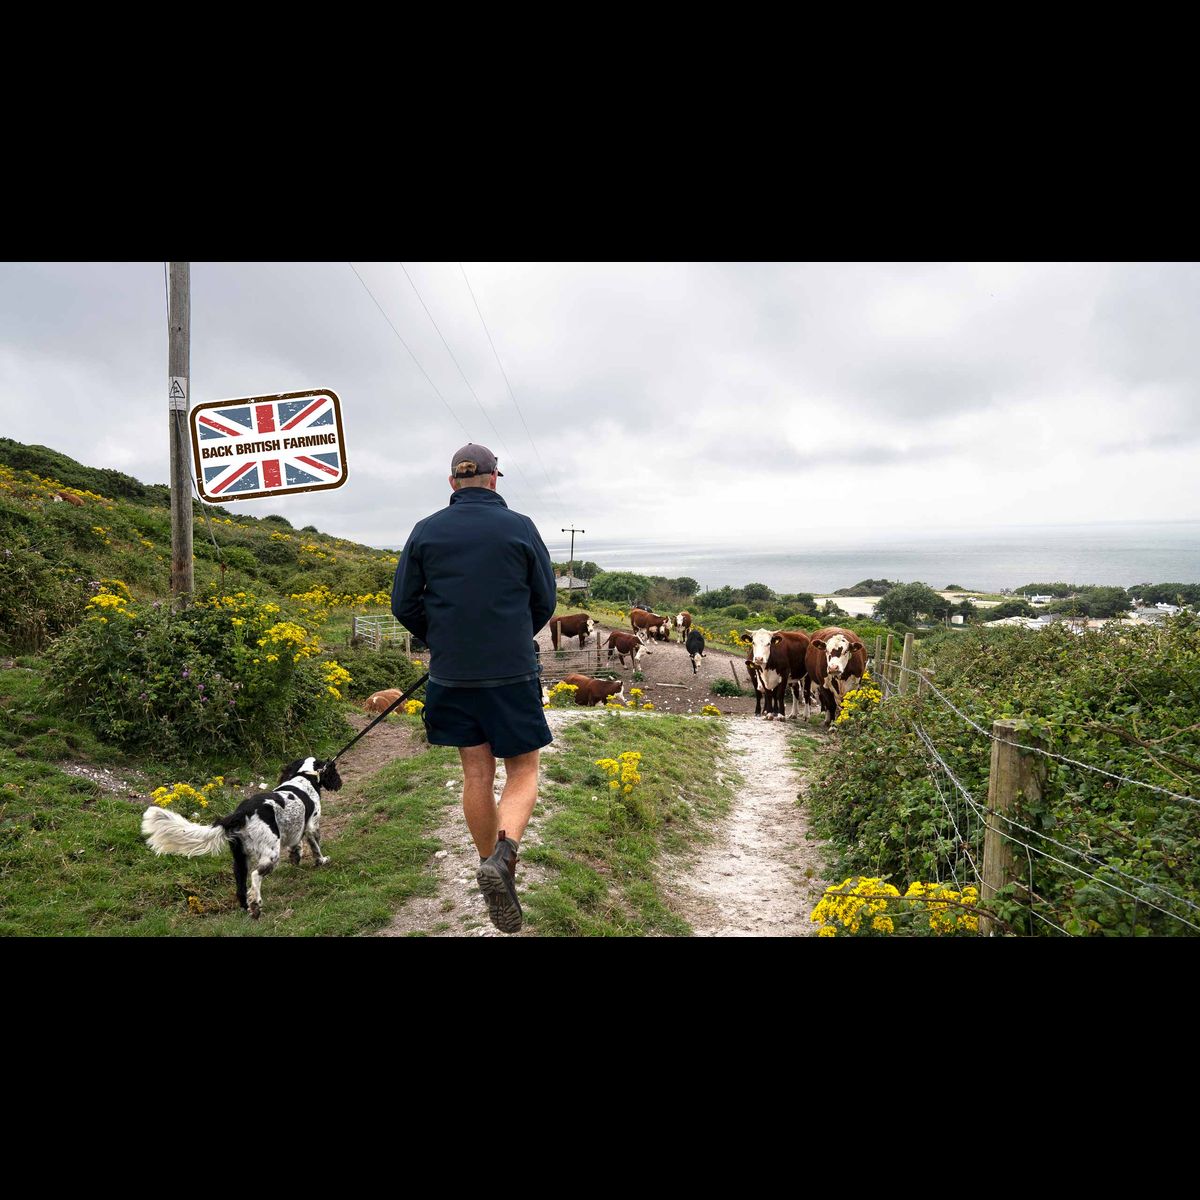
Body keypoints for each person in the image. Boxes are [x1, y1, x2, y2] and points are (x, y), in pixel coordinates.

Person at [391, 443, 556, 933]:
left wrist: (442, 639)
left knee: (476, 774)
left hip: (452, 674)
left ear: (452, 483)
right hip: (510, 673)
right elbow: (544, 600)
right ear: (494, 478)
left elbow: (404, 604)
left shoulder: (425, 531)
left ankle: (489, 859)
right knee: (523, 769)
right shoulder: (521, 527)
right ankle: (502, 861)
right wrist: (510, 637)